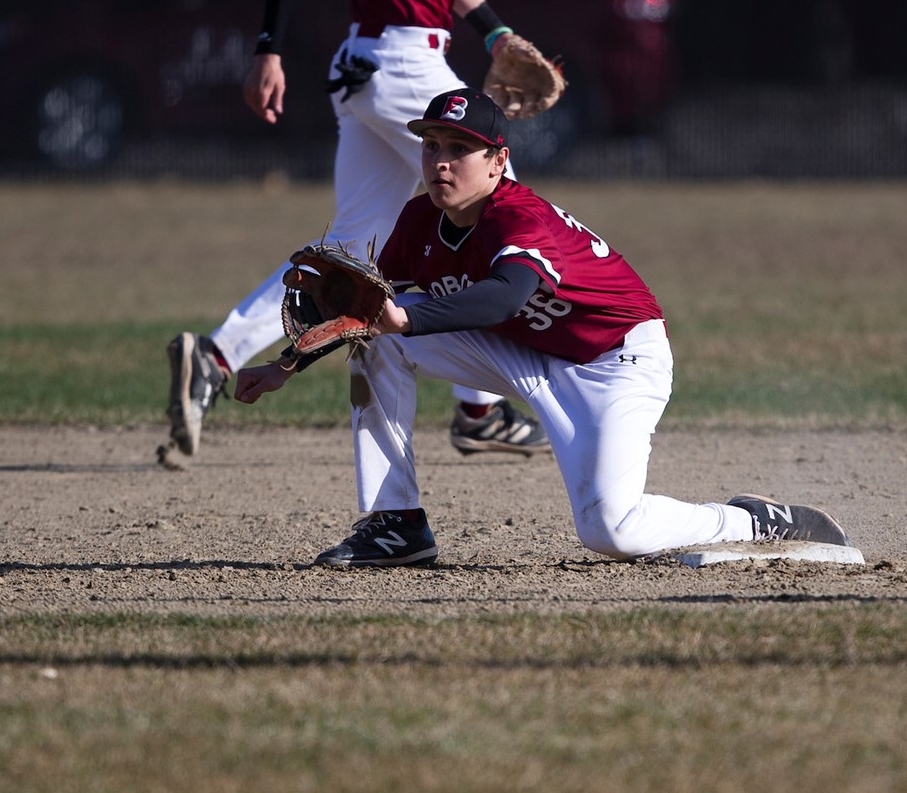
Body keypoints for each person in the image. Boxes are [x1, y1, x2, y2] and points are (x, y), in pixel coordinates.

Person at [231, 87, 852, 566]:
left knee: (611, 529)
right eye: (431, 146)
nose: (440, 163)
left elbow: (506, 296)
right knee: (376, 339)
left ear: (499, 161)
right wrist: (283, 365)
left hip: (616, 360)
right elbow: (363, 308)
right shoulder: (419, 221)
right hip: (524, 351)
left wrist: (405, 316)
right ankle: (396, 523)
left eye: (459, 149)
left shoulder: (519, 219)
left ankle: (751, 523)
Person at [160, 0, 549, 469]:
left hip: (394, 63)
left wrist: (493, 31)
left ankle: (213, 358)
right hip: (398, 58)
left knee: (350, 250)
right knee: (496, 201)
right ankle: (480, 407)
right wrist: (268, 47)